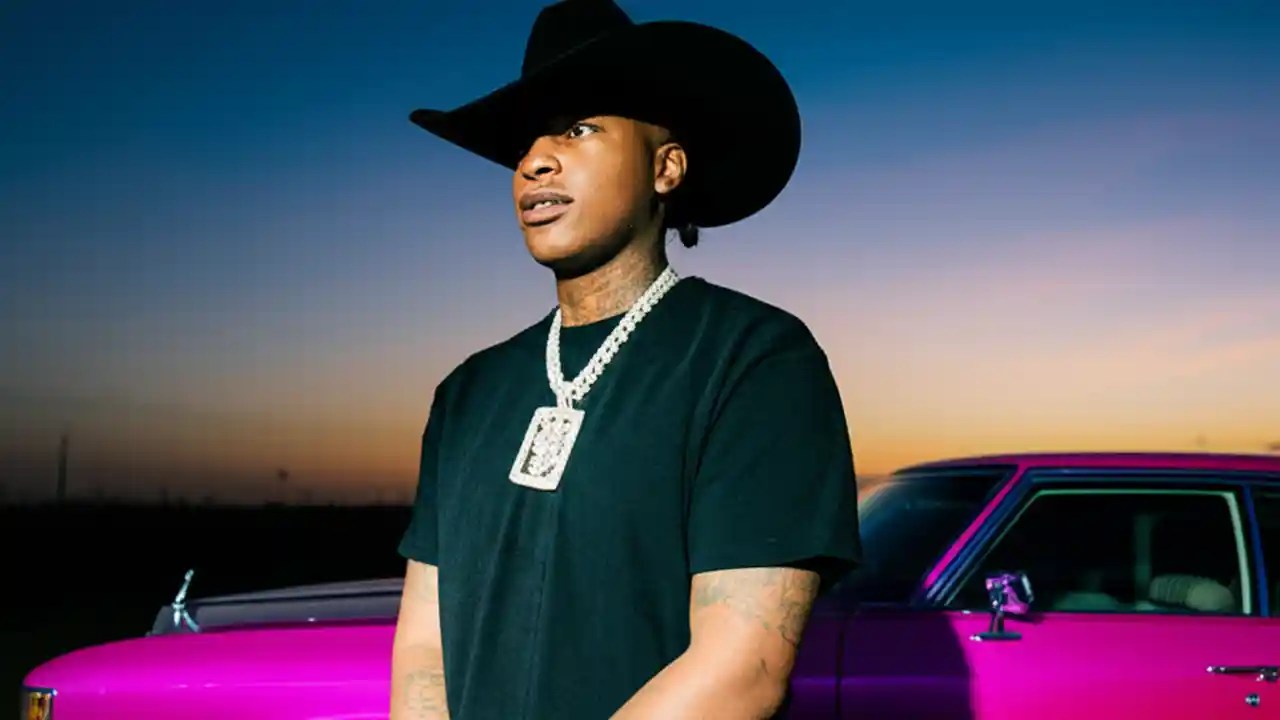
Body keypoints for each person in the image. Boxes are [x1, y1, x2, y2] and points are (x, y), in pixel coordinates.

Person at [390, 1, 861, 718]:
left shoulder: (754, 360)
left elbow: (742, 667)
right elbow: (426, 647)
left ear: (665, 168)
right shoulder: (468, 392)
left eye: (577, 129)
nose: (534, 160)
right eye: (524, 143)